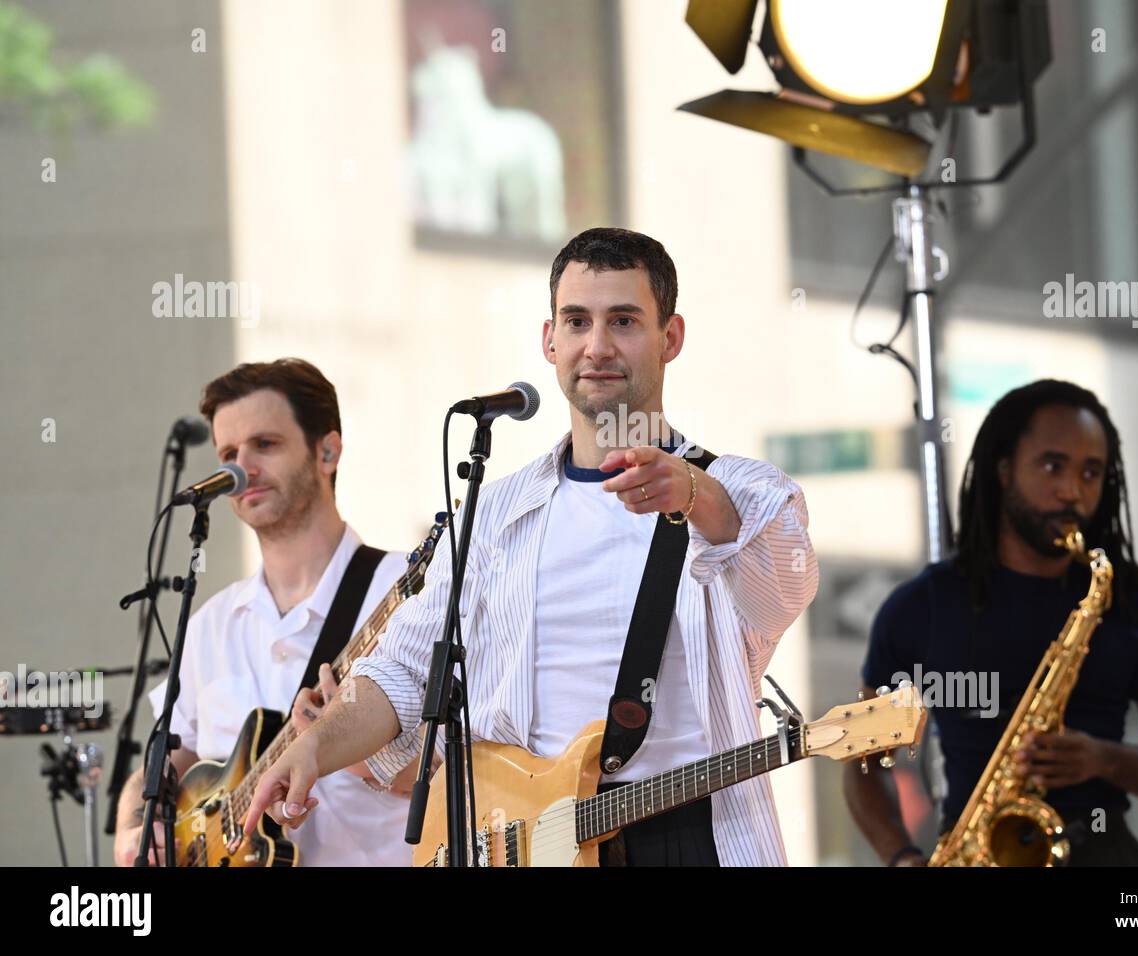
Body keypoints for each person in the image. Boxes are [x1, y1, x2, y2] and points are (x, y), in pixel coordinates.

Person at [246, 228, 819, 865]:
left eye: (623, 321)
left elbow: (786, 585)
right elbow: (402, 672)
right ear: (550, 341)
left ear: (671, 337)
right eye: (577, 321)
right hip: (524, 838)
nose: (596, 346)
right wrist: (312, 749)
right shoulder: (492, 514)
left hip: (690, 835)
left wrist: (694, 493)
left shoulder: (738, 490)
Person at [846, 379, 1138, 866]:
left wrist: (1102, 758)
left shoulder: (1134, 599)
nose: (1072, 491)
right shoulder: (920, 606)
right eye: (1053, 465)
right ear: (1003, 470)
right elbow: (863, 765)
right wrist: (902, 858)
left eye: (1091, 472)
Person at [113, 358, 414, 866]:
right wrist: (132, 832)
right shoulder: (209, 623)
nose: (241, 469)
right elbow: (166, 758)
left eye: (264, 444)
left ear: (327, 450)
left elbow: (461, 769)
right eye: (228, 452)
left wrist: (355, 740)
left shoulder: (408, 589)